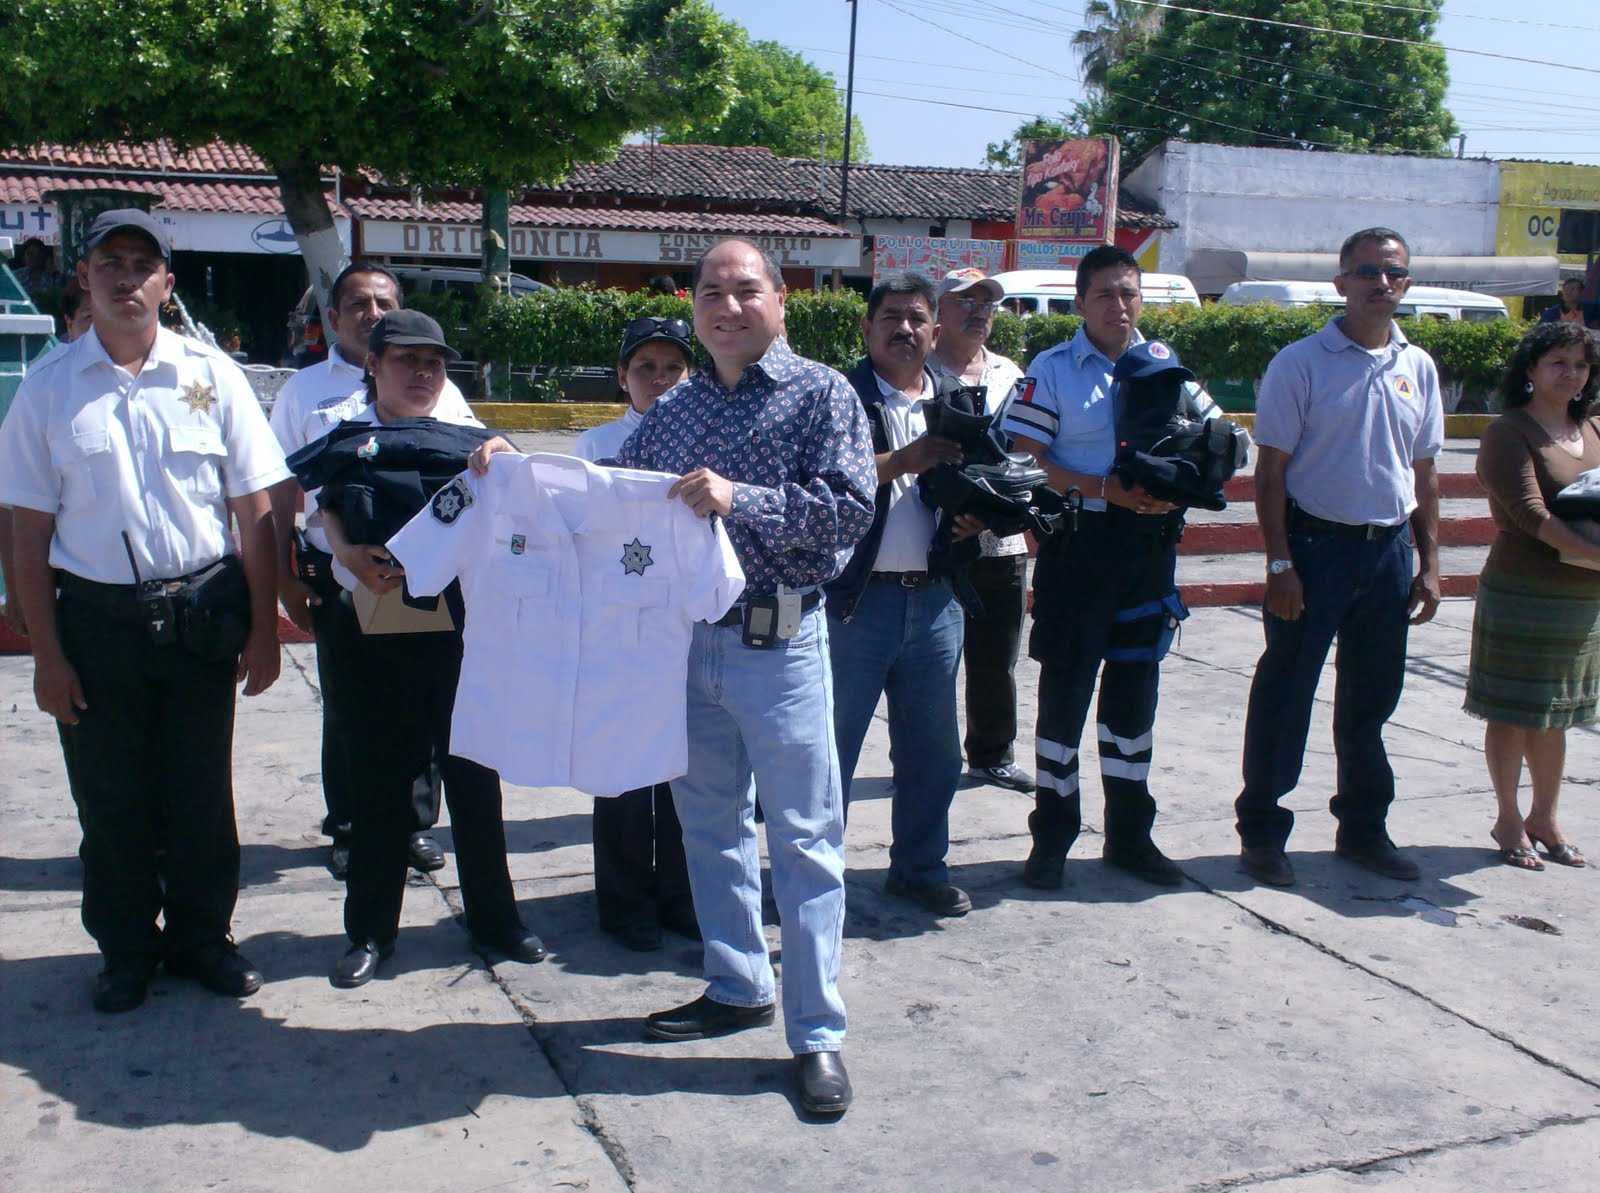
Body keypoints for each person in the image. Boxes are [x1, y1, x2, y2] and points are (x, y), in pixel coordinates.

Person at [0, 209, 287, 1012]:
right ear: (83, 279)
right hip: (96, 625)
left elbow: (254, 511)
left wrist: (265, 631)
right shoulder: (48, 390)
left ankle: (202, 938)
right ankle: (126, 948)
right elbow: (28, 530)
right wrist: (47, 656)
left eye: (142, 264)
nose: (126, 278)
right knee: (111, 795)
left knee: (200, 791)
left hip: (200, 615)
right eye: (109, 263)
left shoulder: (212, 376)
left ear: (167, 281)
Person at [614, 239, 876, 1116]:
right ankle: (736, 983)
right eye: (710, 293)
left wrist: (740, 497)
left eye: (745, 290)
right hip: (690, 649)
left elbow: (848, 510)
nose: (727, 306)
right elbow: (617, 498)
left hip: (782, 646)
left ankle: (818, 1036)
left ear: (781, 301)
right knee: (709, 827)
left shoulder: (822, 393)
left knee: (804, 841)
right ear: (694, 308)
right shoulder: (674, 407)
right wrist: (508, 473)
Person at [294, 310, 546, 988]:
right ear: (372, 364)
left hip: (464, 636)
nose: (421, 372)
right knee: (378, 791)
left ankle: (496, 920)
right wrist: (346, 550)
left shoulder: (476, 443)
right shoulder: (343, 439)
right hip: (373, 632)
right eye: (404, 359)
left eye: (433, 361)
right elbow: (316, 521)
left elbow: (524, 521)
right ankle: (371, 931)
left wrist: (505, 463)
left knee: (474, 782)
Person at [1002, 246, 1222, 891]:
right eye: (1104, 295)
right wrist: (1107, 489)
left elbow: (1219, 441)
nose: (1118, 307)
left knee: (1133, 703)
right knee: (1065, 700)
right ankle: (1053, 839)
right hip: (1080, 549)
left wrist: (1184, 481)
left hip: (1149, 553)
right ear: (1080, 304)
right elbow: (1025, 461)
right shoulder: (1054, 369)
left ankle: (1130, 836)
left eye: (1128, 294)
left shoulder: (1167, 370)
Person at [1235, 228, 1444, 889]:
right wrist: (1279, 563)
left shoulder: (1419, 366)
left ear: (1405, 284)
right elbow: (1271, 473)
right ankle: (1263, 832)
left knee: (1371, 700)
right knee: (1286, 695)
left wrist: (1430, 561)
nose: (1382, 283)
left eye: (1394, 273)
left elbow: (1425, 471)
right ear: (1341, 284)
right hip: (1314, 550)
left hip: (1387, 551)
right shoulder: (1301, 362)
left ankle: (1363, 828)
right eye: (1367, 272)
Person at [269, 261, 464, 880]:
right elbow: (279, 490)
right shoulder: (303, 393)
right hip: (342, 574)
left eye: (384, 302)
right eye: (358, 304)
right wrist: (286, 577)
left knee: (426, 708)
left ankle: (410, 826)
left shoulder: (438, 388)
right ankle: (352, 826)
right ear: (333, 319)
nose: (372, 314)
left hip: (426, 579)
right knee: (352, 712)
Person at [825, 272, 973, 918]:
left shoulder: (957, 399)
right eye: (891, 317)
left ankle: (919, 868)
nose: (904, 329)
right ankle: (814, 880)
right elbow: (822, 482)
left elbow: (981, 477)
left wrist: (975, 515)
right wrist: (901, 460)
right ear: (866, 328)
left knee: (934, 754)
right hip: (854, 606)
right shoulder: (836, 397)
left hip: (937, 600)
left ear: (936, 332)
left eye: (917, 318)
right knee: (828, 756)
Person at [574, 315, 699, 950]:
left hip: (687, 625)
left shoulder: (710, 440)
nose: (659, 379)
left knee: (685, 764)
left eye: (673, 367)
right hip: (618, 627)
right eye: (645, 367)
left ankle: (682, 895)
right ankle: (624, 903)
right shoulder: (594, 448)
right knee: (621, 768)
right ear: (622, 377)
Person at [1465, 321, 1600, 870]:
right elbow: (1529, 515)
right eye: (1558, 363)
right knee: (1515, 710)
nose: (1571, 374)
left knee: (1557, 713)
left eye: (1581, 365)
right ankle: (1508, 818)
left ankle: (1545, 815)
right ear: (1530, 371)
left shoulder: (1593, 428)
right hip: (1523, 590)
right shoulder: (1508, 432)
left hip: (1582, 596)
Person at [928, 268, 1035, 794]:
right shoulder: (916, 373)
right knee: (931, 665)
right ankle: (930, 759)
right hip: (935, 539)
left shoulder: (1011, 374)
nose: (978, 312)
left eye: (986, 304)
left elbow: (1027, 457)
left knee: (996, 658)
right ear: (938, 313)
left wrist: (996, 513)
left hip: (1001, 543)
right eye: (964, 302)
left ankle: (993, 753)